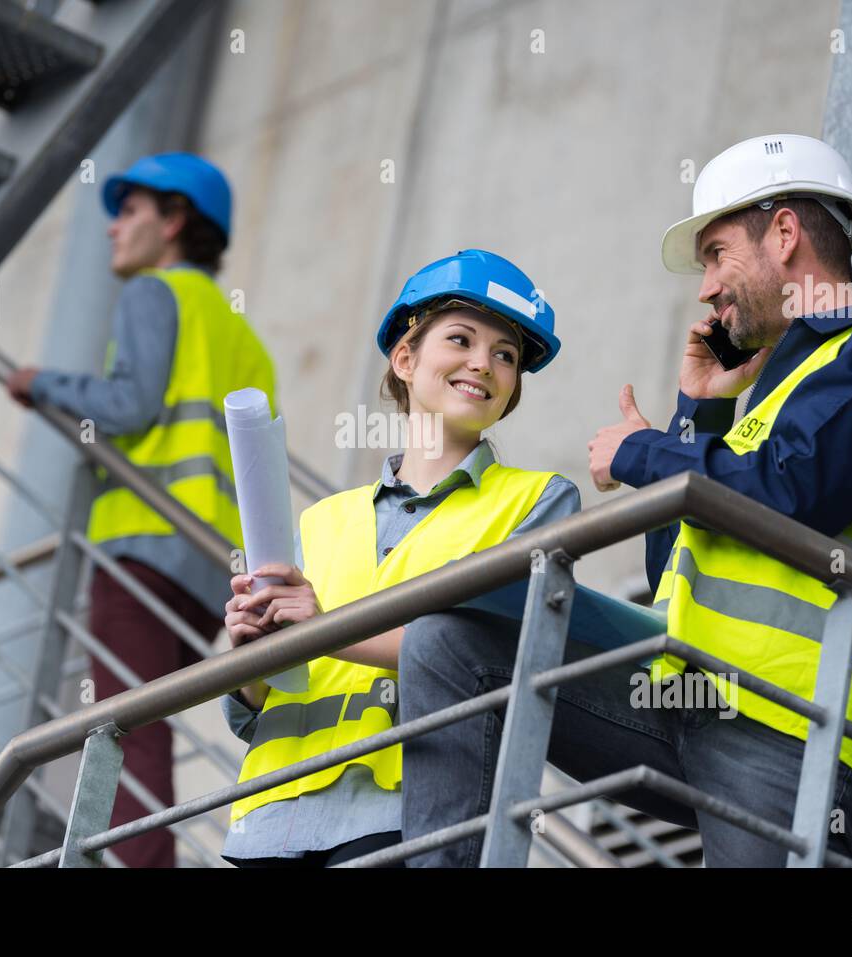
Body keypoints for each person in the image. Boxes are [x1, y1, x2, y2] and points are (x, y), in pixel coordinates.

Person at [400, 134, 852, 866]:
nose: (705, 287)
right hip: (684, 700)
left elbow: (789, 492)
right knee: (449, 645)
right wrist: (699, 409)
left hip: (796, 732)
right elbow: (675, 563)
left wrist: (645, 453)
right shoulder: (766, 407)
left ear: (785, 232)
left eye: (715, 254)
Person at [218, 249, 581, 866]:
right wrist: (252, 650)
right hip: (270, 820)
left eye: (506, 355)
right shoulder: (321, 519)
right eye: (461, 339)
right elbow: (252, 709)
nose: (483, 364)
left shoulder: (539, 500)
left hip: (408, 817)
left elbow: (495, 651)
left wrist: (322, 629)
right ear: (405, 359)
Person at [6, 153, 278, 867]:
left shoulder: (155, 295)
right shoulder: (244, 338)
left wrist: (45, 384)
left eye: (129, 212)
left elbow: (130, 405)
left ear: (175, 221)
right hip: (211, 568)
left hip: (144, 547)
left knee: (125, 728)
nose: (113, 230)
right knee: (143, 723)